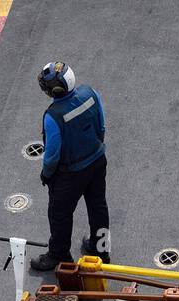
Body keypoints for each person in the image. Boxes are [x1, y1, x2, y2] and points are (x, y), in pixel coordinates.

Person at [29, 61, 110, 272]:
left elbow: (52, 154)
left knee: (60, 213)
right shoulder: (90, 93)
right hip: (97, 162)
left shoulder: (53, 115)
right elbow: (101, 125)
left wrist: (47, 175)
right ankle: (101, 249)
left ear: (55, 90)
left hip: (70, 174)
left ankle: (58, 255)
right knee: (98, 206)